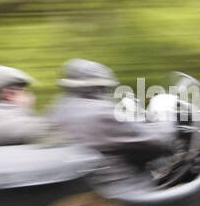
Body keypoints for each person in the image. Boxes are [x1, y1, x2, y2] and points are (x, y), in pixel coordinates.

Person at [47, 59, 175, 186]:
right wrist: (165, 113)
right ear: (97, 88)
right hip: (123, 187)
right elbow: (160, 142)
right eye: (103, 88)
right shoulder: (102, 114)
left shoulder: (57, 110)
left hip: (88, 185)